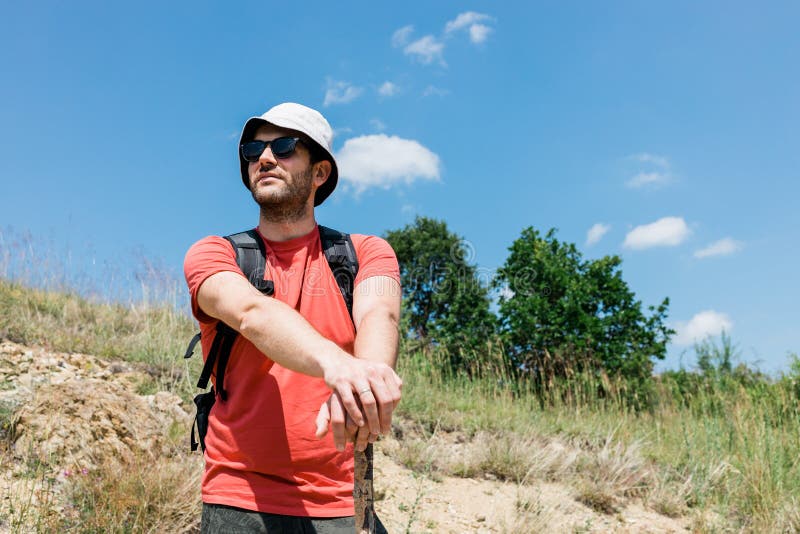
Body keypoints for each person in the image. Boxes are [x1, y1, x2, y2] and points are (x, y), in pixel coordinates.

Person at [183, 102, 402, 533]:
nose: (264, 158)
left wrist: (367, 378)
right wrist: (338, 365)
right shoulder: (215, 253)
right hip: (239, 501)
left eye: (284, 147)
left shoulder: (367, 254)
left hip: (344, 501)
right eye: (253, 150)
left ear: (320, 173)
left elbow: (380, 313)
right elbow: (250, 313)